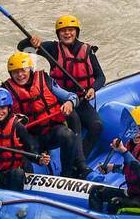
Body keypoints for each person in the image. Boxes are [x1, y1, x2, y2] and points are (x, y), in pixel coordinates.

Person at [25, 16, 105, 158]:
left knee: (96, 126)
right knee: (74, 122)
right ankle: (77, 162)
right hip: (60, 102)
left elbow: (101, 77)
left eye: (71, 30)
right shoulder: (52, 49)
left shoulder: (87, 50)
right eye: (63, 31)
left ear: (76, 32)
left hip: (81, 100)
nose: (67, 33)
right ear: (58, 34)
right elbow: (24, 49)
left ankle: (82, 159)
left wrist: (93, 88)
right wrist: (31, 42)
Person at [2, 51, 90, 178]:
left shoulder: (46, 80)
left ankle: (67, 174)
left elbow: (72, 96)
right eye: (15, 72)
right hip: (29, 139)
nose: (20, 75)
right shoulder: (6, 91)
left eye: (23, 70)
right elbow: (0, 117)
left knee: (67, 134)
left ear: (30, 70)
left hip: (50, 133)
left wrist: (70, 102)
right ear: (11, 74)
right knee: (22, 155)